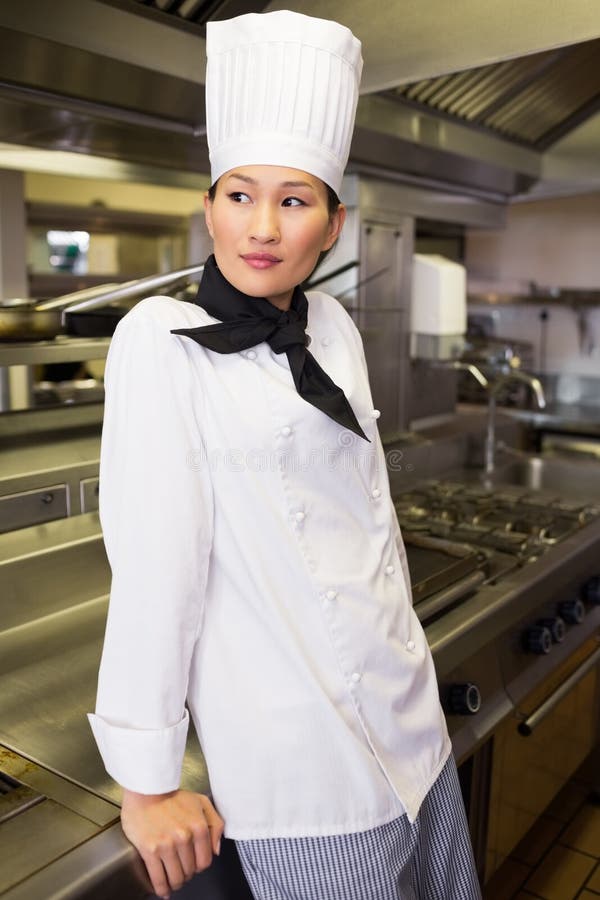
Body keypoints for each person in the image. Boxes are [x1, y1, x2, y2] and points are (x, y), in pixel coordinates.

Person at [89, 10, 482, 900]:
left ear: (333, 223)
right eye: (239, 194)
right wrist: (147, 780)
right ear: (209, 206)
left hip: (412, 726)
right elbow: (158, 566)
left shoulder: (334, 324)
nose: (262, 226)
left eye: (294, 200)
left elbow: (371, 525)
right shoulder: (160, 340)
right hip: (301, 766)